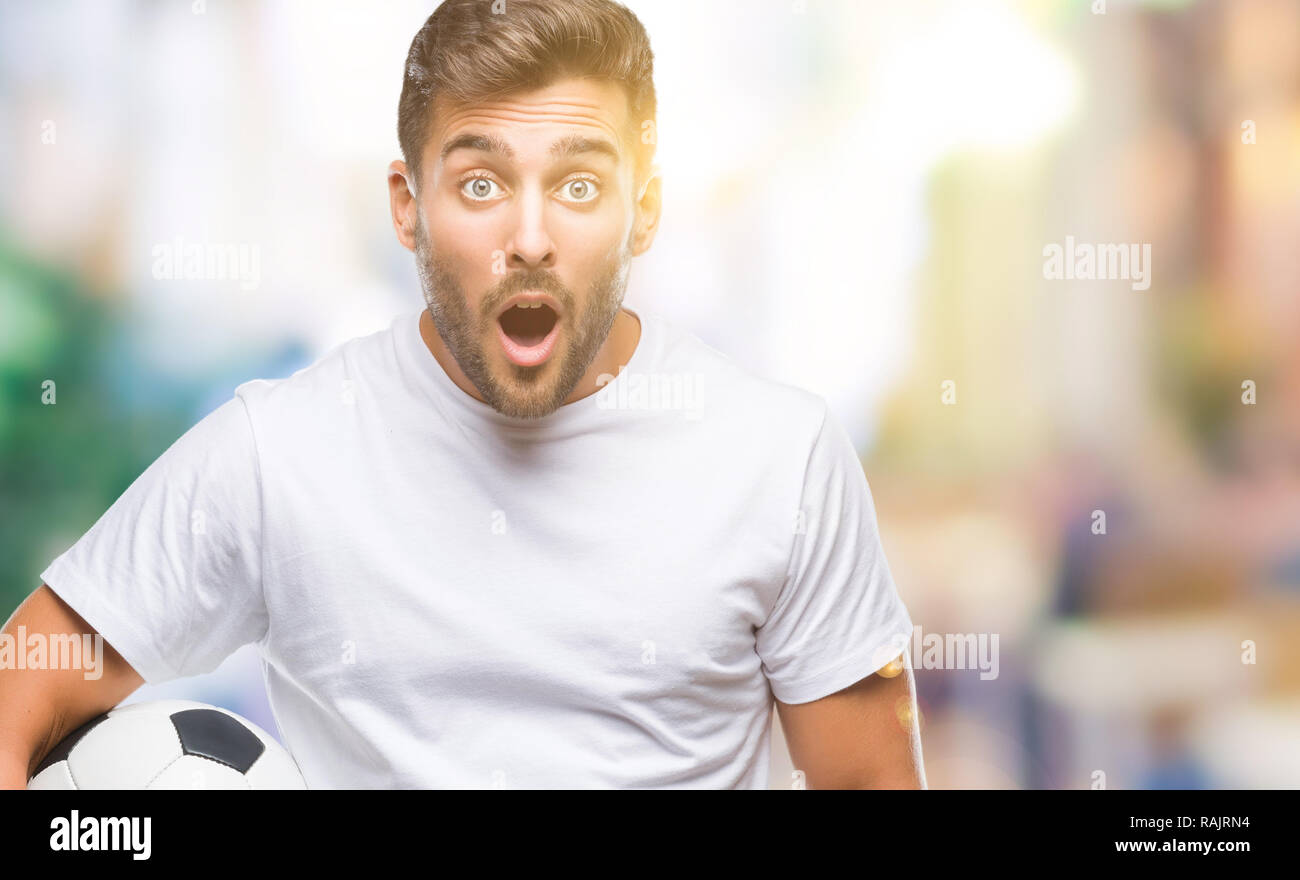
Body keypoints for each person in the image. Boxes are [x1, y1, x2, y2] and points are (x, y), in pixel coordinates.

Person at [0, 0, 923, 789]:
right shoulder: (276, 454)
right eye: (480, 182)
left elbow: (873, 782)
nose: (529, 237)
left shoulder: (780, 459)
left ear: (643, 209)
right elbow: (20, 689)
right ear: (406, 206)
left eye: (578, 182)